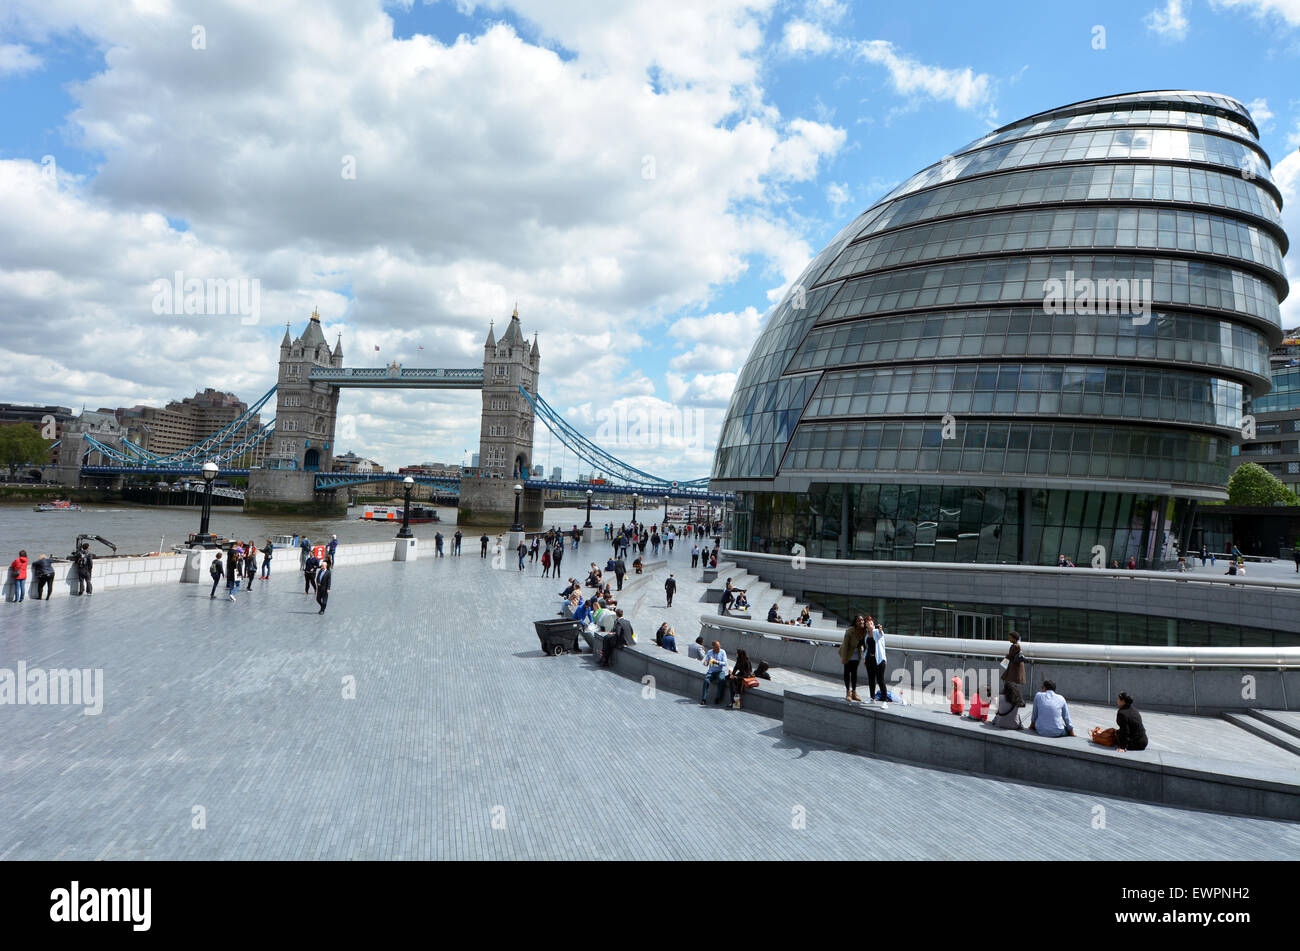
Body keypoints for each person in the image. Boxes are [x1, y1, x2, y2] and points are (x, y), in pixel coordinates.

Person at [839, 615, 867, 702]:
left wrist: (866, 658)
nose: (862, 622)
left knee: (854, 673)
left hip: (856, 654)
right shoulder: (850, 631)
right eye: (859, 620)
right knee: (847, 673)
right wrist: (844, 658)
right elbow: (845, 645)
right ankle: (848, 692)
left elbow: (865, 645)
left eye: (862, 620)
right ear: (855, 622)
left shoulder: (864, 631)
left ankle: (854, 692)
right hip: (847, 653)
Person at [866, 616, 889, 703]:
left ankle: (884, 700)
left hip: (879, 660)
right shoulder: (867, 634)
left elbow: (881, 634)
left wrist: (880, 629)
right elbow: (867, 647)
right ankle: (872, 698)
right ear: (866, 625)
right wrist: (865, 658)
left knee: (880, 680)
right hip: (869, 659)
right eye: (867, 623)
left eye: (871, 623)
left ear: (873, 624)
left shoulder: (877, 632)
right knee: (871, 679)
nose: (869, 624)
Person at [700, 639, 728, 705]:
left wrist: (717, 662)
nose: (719, 648)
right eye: (717, 647)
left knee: (721, 680)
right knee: (706, 681)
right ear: (713, 647)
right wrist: (706, 662)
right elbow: (705, 661)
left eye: (719, 647)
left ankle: (718, 698)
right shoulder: (709, 652)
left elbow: (725, 663)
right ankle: (703, 699)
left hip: (720, 671)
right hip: (711, 671)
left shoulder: (722, 652)